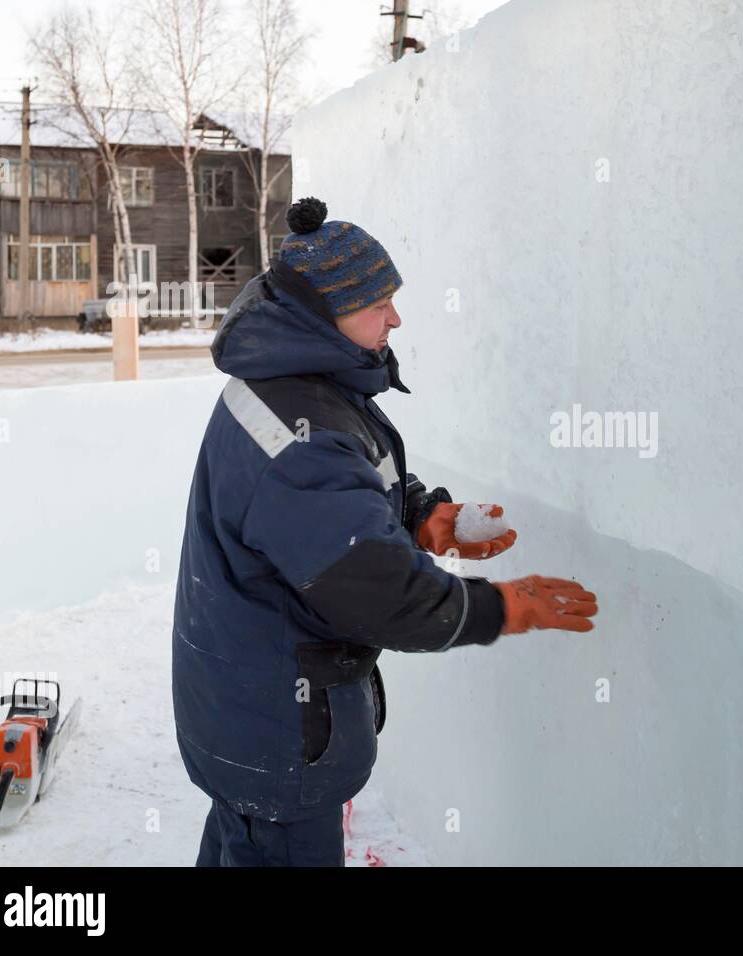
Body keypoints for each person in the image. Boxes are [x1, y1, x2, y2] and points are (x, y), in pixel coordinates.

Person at [172, 197, 598, 866]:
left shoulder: (292, 383)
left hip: (246, 711)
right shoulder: (296, 428)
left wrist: (421, 516)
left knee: (242, 841)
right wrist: (502, 607)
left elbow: (334, 501)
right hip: (277, 731)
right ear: (324, 315)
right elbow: (379, 590)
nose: (396, 316)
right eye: (378, 303)